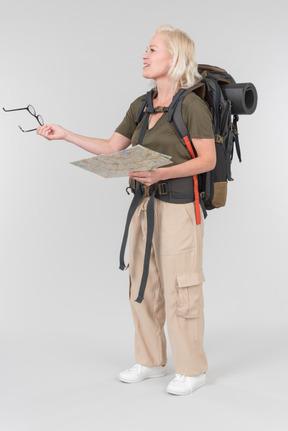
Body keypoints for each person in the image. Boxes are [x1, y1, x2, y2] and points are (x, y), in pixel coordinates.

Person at [37, 25, 216, 396]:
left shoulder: (193, 105)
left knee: (182, 286)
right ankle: (150, 361)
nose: (144, 55)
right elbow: (111, 147)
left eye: (152, 50)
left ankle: (192, 369)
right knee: (142, 284)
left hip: (180, 207)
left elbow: (208, 160)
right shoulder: (142, 104)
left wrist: (162, 172)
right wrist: (65, 134)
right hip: (142, 204)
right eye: (145, 50)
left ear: (174, 57)